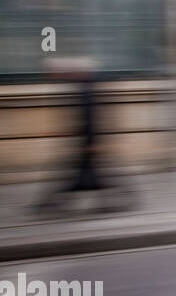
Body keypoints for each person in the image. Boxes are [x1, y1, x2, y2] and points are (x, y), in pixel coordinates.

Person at [30, 58, 134, 216]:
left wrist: (91, 142)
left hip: (88, 142)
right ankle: (52, 203)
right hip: (87, 141)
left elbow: (90, 117)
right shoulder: (85, 86)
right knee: (88, 175)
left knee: (80, 175)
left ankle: (49, 204)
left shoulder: (87, 88)